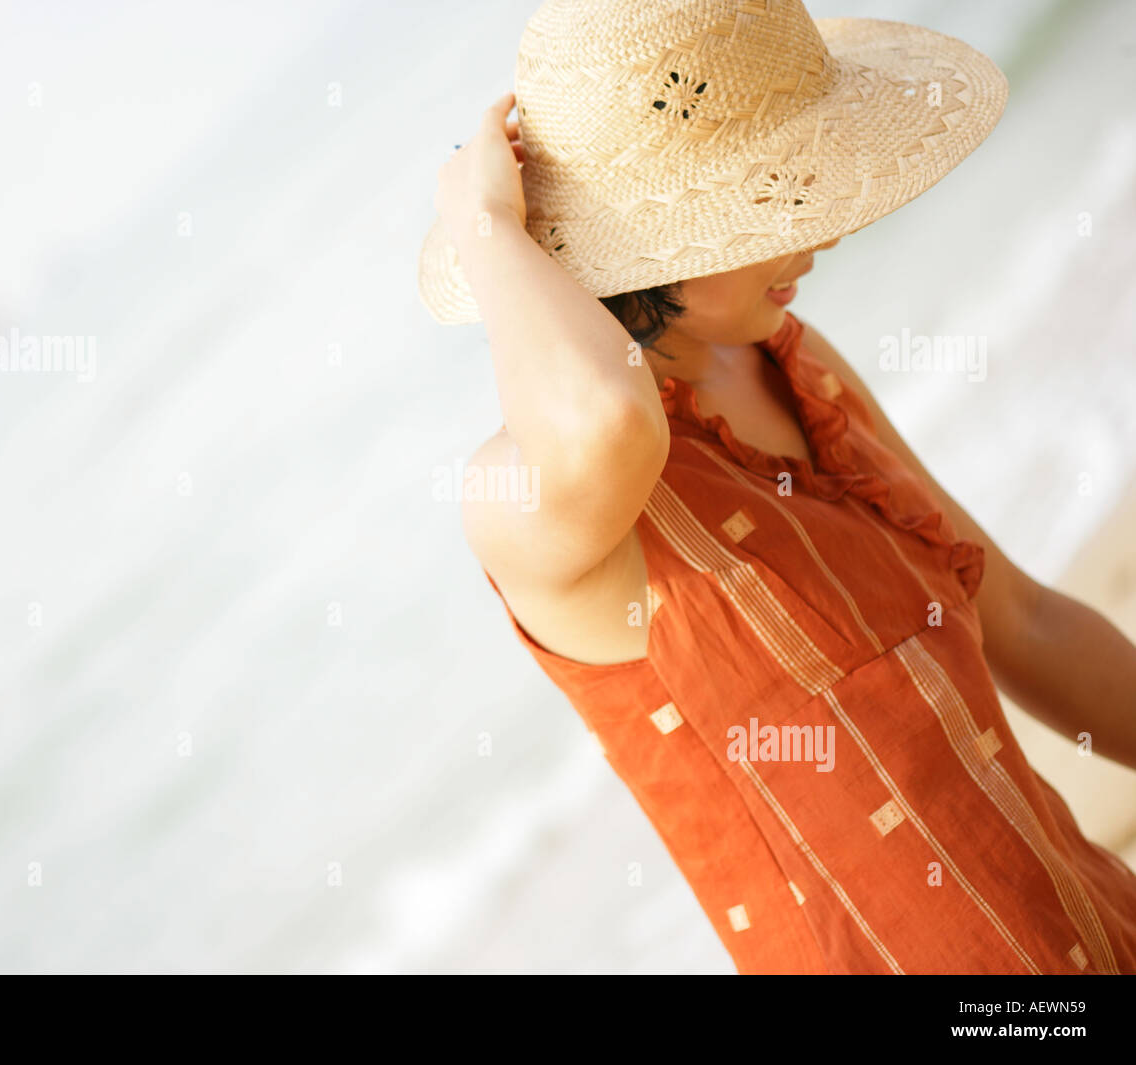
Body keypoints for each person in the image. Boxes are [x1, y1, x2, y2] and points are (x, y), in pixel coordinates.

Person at [417, 0, 1136, 974]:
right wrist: (490, 228)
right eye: (770, 193)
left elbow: (1024, 620)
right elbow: (607, 418)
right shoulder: (539, 509)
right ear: (641, 236)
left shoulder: (793, 368)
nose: (821, 227)